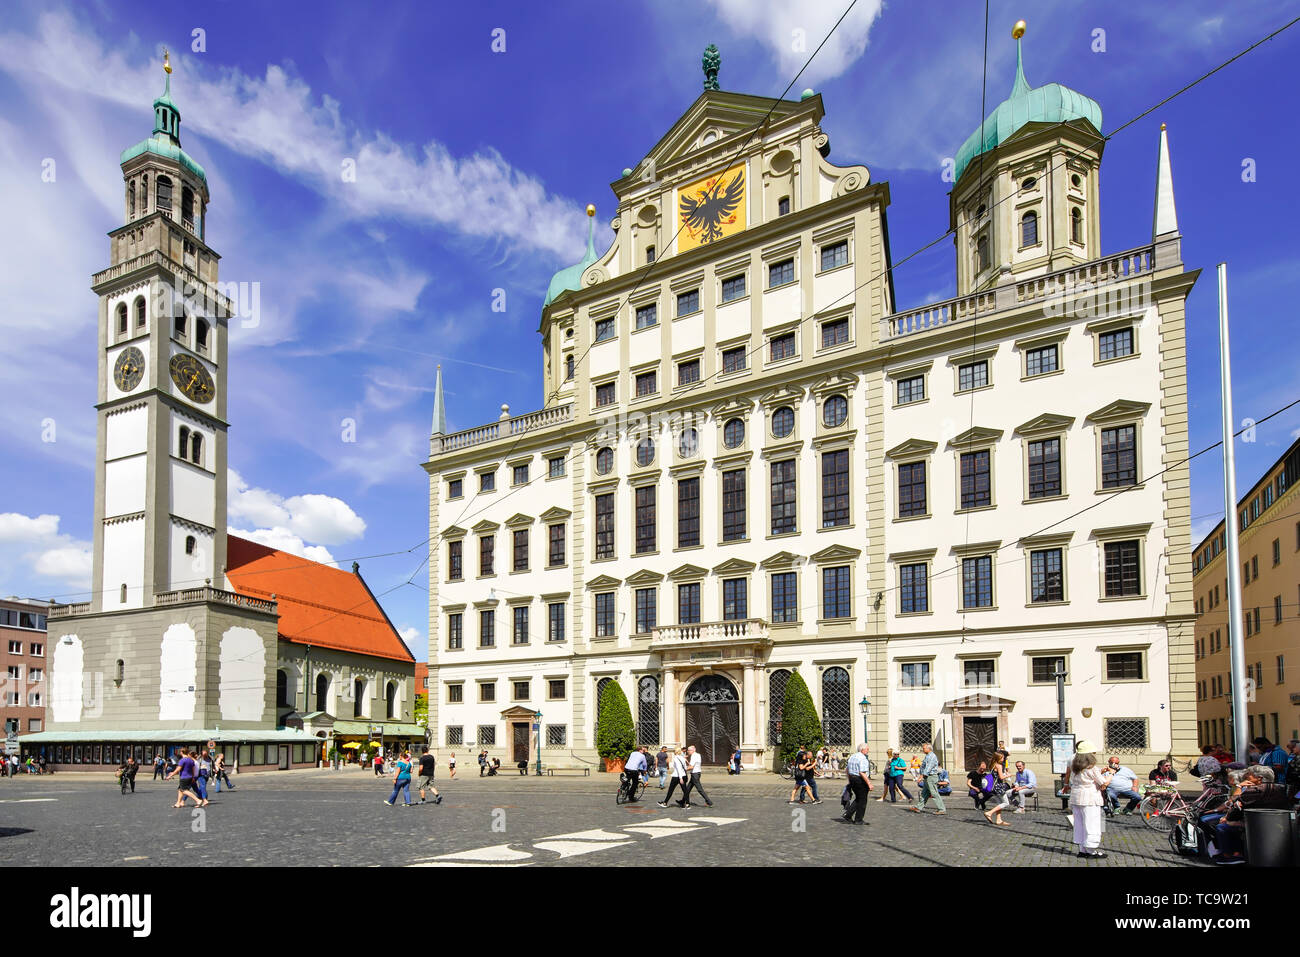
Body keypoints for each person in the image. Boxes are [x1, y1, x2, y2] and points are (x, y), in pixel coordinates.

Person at [1206, 767, 1290, 864]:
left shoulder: (1253, 791)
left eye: (1249, 775)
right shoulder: (1281, 788)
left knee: (1223, 826)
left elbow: (1234, 810)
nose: (1246, 777)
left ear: (1259, 778)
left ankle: (1231, 855)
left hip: (1255, 824)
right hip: (1278, 823)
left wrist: (1239, 787)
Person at [1066, 740, 1112, 858]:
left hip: (1076, 797)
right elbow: (1104, 783)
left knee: (1080, 824)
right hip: (1090, 798)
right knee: (1092, 823)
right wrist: (1112, 773)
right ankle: (1091, 851)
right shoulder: (1092, 768)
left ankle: (1082, 850)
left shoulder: (1074, 766)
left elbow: (1084, 776)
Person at [909, 742, 947, 814]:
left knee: (934, 793)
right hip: (928, 777)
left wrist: (921, 777)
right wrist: (921, 775)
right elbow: (923, 767)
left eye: (924, 748)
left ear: (928, 749)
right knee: (924, 793)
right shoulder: (928, 756)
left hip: (931, 777)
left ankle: (942, 809)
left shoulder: (932, 756)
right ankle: (918, 807)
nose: (922, 749)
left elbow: (928, 768)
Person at [842, 744, 873, 825]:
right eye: (867, 749)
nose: (868, 750)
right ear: (862, 750)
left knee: (858, 798)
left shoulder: (852, 757)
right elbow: (862, 772)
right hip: (860, 780)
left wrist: (849, 780)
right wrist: (869, 783)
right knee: (863, 800)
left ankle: (848, 815)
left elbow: (847, 770)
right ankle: (858, 819)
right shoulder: (863, 758)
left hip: (852, 778)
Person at [984, 755, 1014, 826]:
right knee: (1006, 803)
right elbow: (1001, 777)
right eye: (1002, 758)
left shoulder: (992, 765)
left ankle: (999, 820)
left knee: (999, 803)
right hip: (999, 786)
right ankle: (989, 813)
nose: (1003, 759)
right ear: (998, 758)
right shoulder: (999, 766)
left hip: (994, 787)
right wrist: (1009, 775)